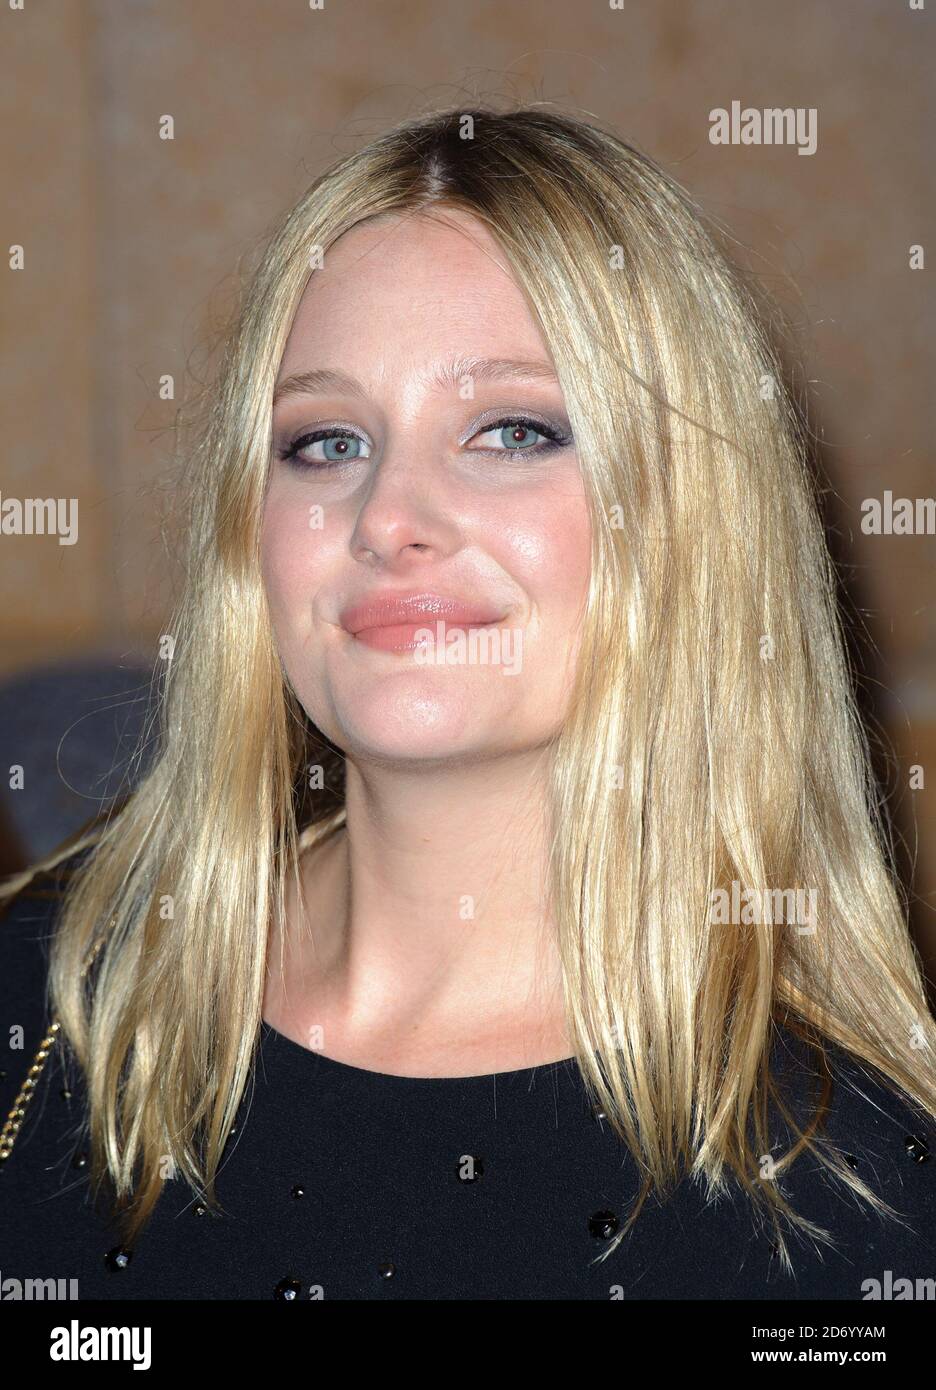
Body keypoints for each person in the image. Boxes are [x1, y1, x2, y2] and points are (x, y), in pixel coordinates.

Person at [1, 105, 933, 1301]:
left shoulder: (849, 1202)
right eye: (327, 442)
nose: (389, 515)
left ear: (697, 518)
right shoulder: (63, 990)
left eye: (511, 429)